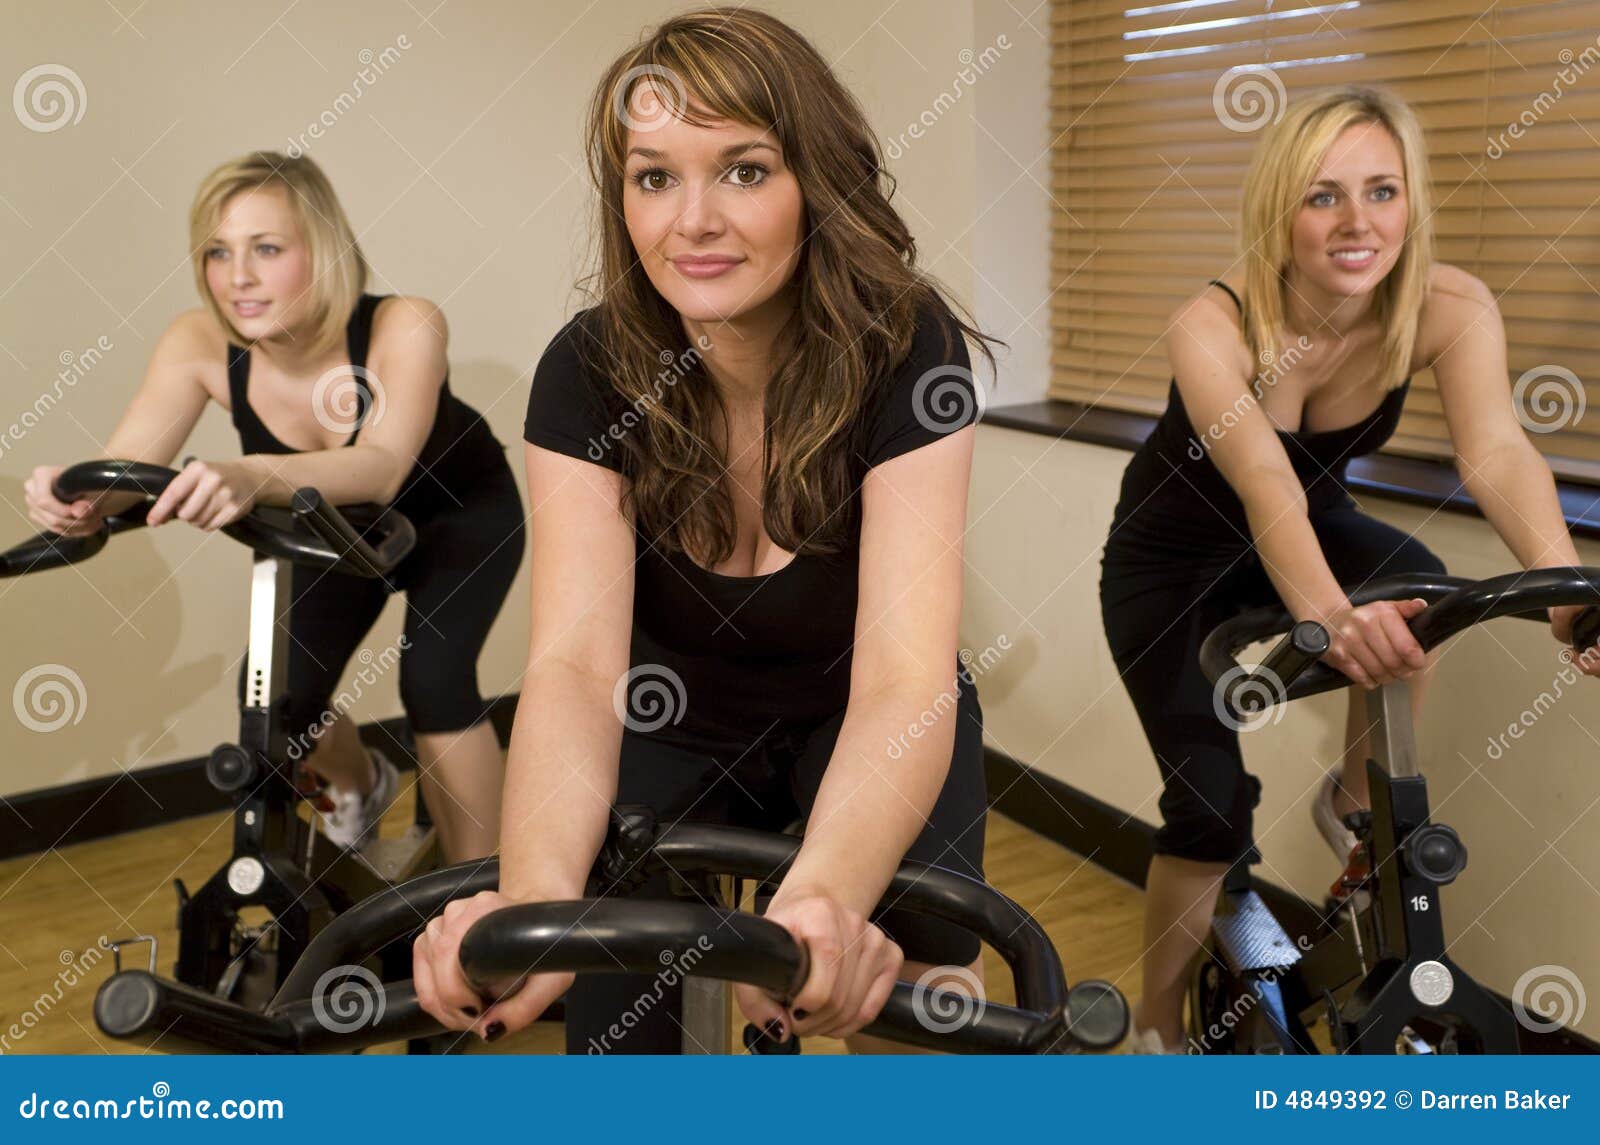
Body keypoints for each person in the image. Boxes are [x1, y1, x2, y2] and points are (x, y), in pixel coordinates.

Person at [412, 7, 1003, 1053]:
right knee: (607, 999)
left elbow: (905, 678)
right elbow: (576, 666)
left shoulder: (909, 349)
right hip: (665, 708)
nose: (693, 221)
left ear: (814, 182)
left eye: (742, 169)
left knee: (918, 1001)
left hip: (864, 705)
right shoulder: (585, 369)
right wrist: (534, 896)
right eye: (653, 177)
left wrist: (822, 898)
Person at [1098, 85, 1600, 1054]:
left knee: (1419, 591)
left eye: (1382, 190)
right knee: (1206, 809)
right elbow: (1262, 483)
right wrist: (1329, 618)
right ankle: (1153, 1036)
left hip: (1313, 525)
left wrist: (1565, 598)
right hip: (1173, 561)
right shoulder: (1213, 323)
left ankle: (1350, 802)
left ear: (1412, 201)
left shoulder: (1445, 305)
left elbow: (1494, 452)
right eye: (1322, 196)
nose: (1357, 222)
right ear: (1277, 206)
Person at [23, 151, 523, 864]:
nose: (238, 277)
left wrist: (251, 473)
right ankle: (361, 787)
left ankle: (482, 904)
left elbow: (379, 469)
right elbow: (130, 466)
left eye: (266, 249)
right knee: (277, 702)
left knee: (435, 682)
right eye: (219, 252)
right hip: (335, 533)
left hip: (458, 518)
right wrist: (76, 496)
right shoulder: (196, 341)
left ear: (320, 250)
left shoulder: (405, 323)